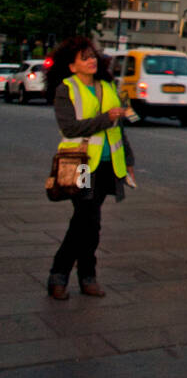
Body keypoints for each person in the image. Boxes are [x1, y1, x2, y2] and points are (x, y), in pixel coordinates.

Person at [47, 38, 135, 301]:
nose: (91, 60)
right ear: (72, 66)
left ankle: (81, 277)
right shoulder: (66, 89)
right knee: (87, 221)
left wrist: (129, 159)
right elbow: (70, 128)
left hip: (108, 164)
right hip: (82, 165)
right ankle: (64, 275)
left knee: (88, 222)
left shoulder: (109, 86)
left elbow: (123, 124)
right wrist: (104, 119)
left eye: (93, 56)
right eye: (84, 58)